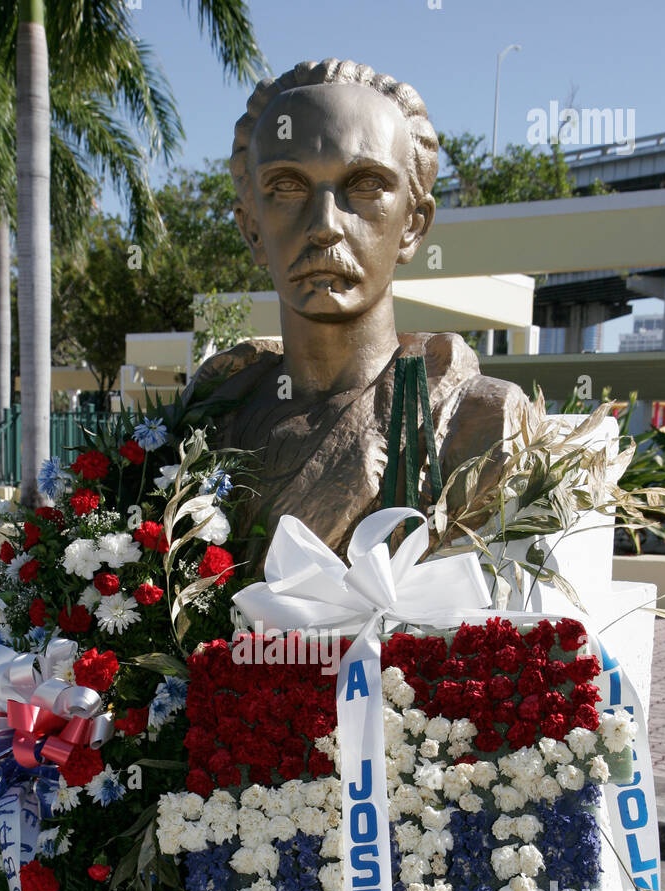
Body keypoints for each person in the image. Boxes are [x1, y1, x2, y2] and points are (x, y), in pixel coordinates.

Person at [185, 58, 540, 558]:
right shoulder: (211, 414)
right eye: (287, 186)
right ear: (251, 229)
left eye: (366, 184)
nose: (324, 224)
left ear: (414, 224)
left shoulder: (481, 421)